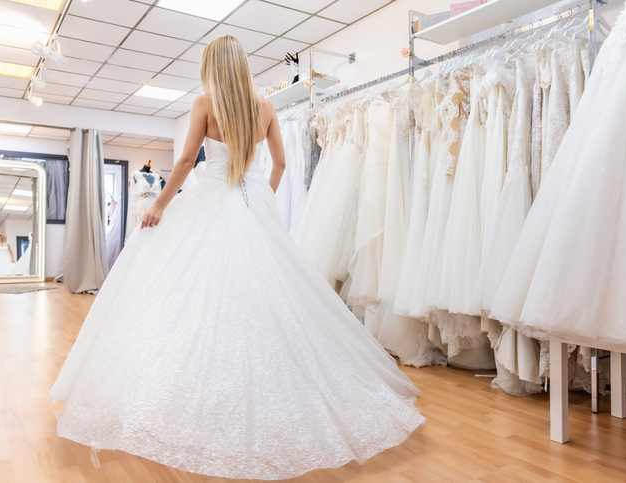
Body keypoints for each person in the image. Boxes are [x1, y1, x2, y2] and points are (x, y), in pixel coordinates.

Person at [50, 35, 424, 480]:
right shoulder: (265, 107)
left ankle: (197, 387)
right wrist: (259, 200)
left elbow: (187, 160)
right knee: (267, 301)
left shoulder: (205, 104)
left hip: (211, 199)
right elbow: (280, 163)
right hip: (251, 205)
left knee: (189, 294)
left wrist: (159, 205)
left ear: (213, 67)